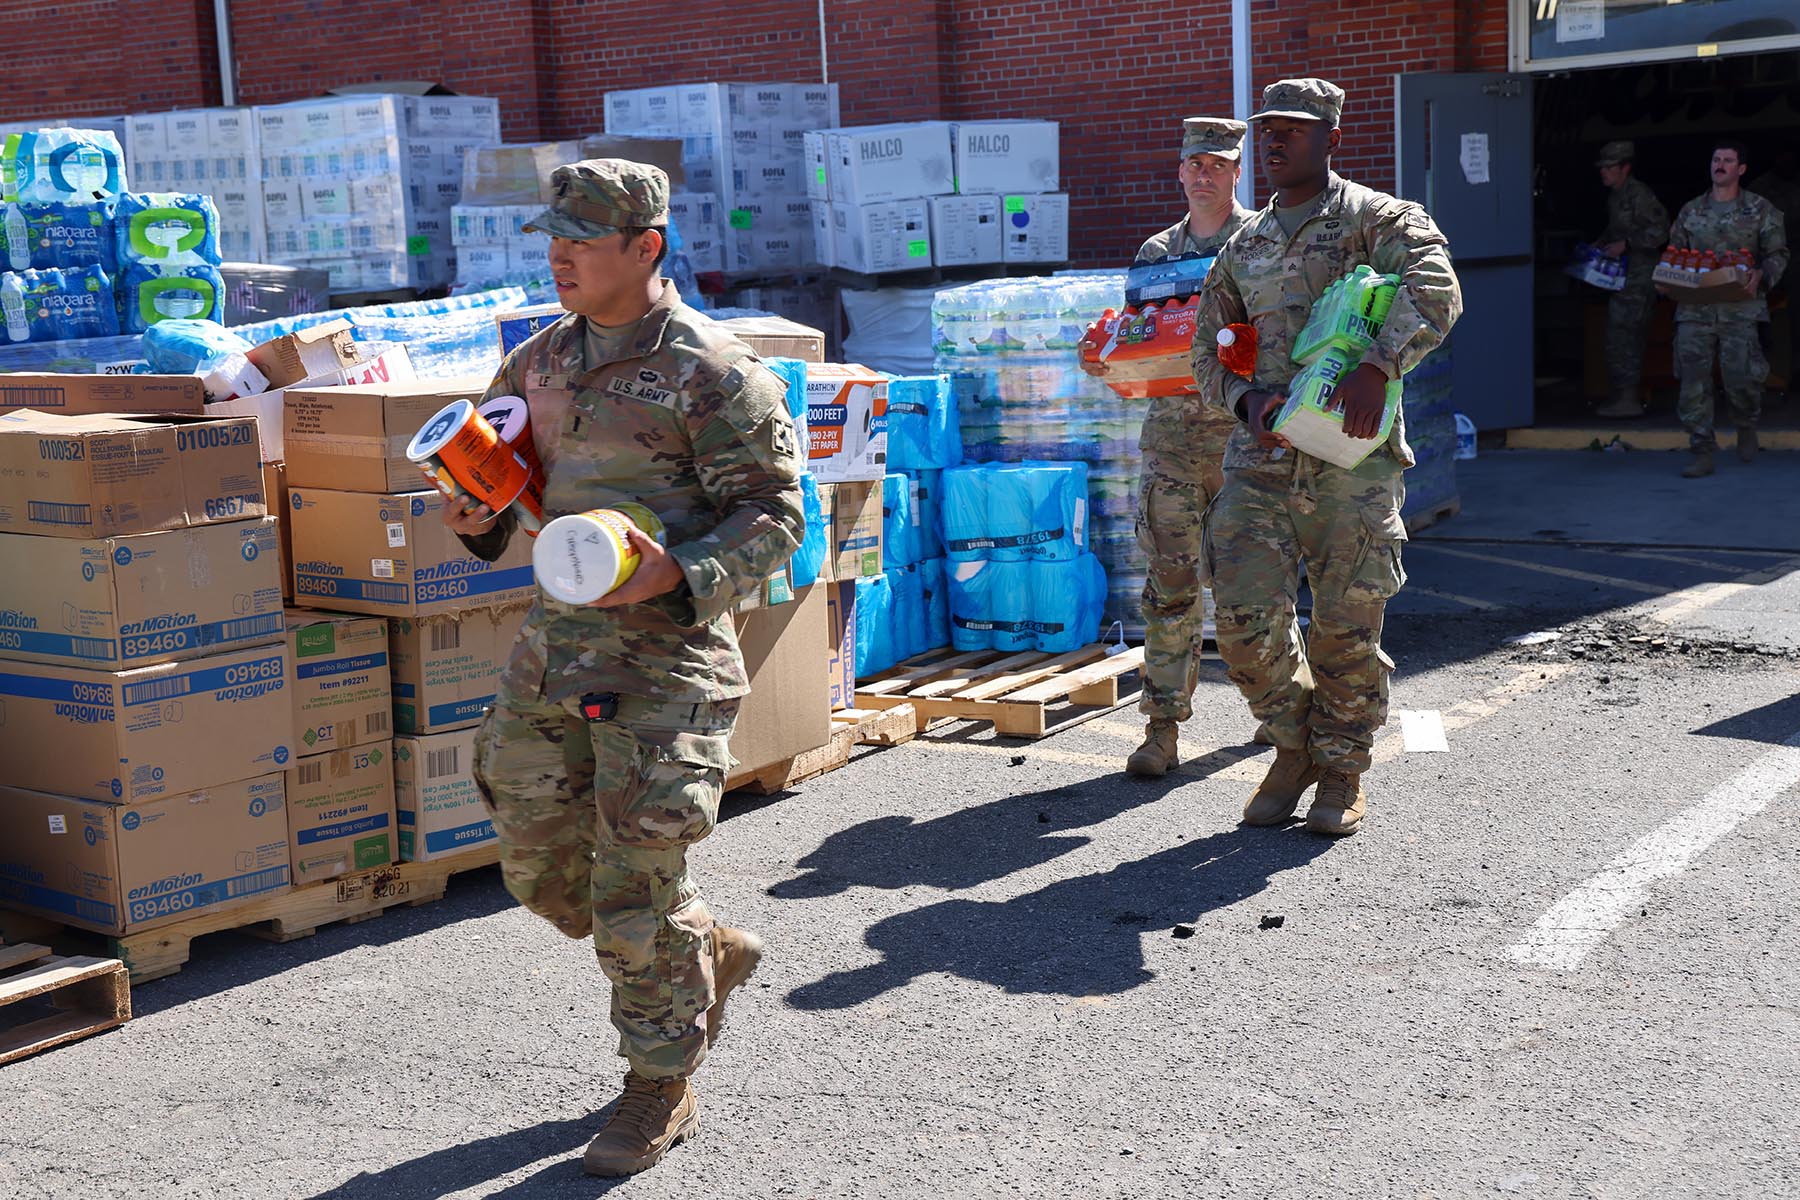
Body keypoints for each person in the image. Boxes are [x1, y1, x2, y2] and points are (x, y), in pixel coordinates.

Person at [444, 159, 806, 1176]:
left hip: (669, 661)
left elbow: (778, 516)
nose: (559, 256)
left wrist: (677, 573)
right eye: (553, 238)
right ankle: (705, 952)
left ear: (646, 246)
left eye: (582, 240)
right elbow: (501, 487)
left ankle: (659, 1081)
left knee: (635, 884)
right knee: (539, 864)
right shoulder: (538, 362)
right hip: (554, 654)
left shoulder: (714, 371)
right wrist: (472, 515)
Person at [1190, 79, 1462, 837]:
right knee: (1242, 621)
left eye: (1295, 129)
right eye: (1268, 129)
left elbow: (1436, 288)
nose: (1277, 141)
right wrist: (1245, 401)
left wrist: (1378, 363)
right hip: (1263, 457)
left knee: (1347, 625)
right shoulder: (1244, 246)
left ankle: (1341, 769)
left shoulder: (1378, 219)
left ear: (1332, 139)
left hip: (1352, 456)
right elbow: (1207, 349)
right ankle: (1294, 745)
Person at [1091, 116, 1253, 778]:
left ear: (1237, 171)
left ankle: (1281, 714)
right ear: (1181, 171)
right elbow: (1139, 348)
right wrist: (1103, 358)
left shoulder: (1262, 242)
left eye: (1217, 164)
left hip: (1245, 447)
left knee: (1252, 596)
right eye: (1195, 163)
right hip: (1171, 448)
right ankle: (1161, 730)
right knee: (1169, 591)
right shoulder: (1156, 252)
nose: (1204, 174)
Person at [1665, 139, 1789, 477]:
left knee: (1742, 376)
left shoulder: (1760, 209)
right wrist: (1669, 278)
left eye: (1728, 160)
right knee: (1693, 381)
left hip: (1740, 309)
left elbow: (1778, 253)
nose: (1719, 165)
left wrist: (1762, 275)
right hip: (1696, 309)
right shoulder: (1690, 211)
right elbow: (1674, 253)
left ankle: (1746, 424)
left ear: (1741, 169)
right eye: (1716, 159)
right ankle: (1702, 450)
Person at [1592, 141, 1667, 419]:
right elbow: (1616, 229)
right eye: (1602, 167)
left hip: (1639, 280)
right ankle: (1622, 394)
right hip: (1622, 279)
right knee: (1617, 337)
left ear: (1625, 168)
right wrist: (1601, 243)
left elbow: (1661, 230)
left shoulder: (1639, 194)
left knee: (1627, 337)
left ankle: (1628, 399)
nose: (1603, 172)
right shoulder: (1616, 197)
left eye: (1609, 167)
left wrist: (1627, 244)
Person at [1749, 147, 1800, 398]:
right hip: (1766, 259)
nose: (1787, 161)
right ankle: (1759, 375)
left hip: (1796, 258)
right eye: (1783, 156)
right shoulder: (1760, 188)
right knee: (1753, 316)